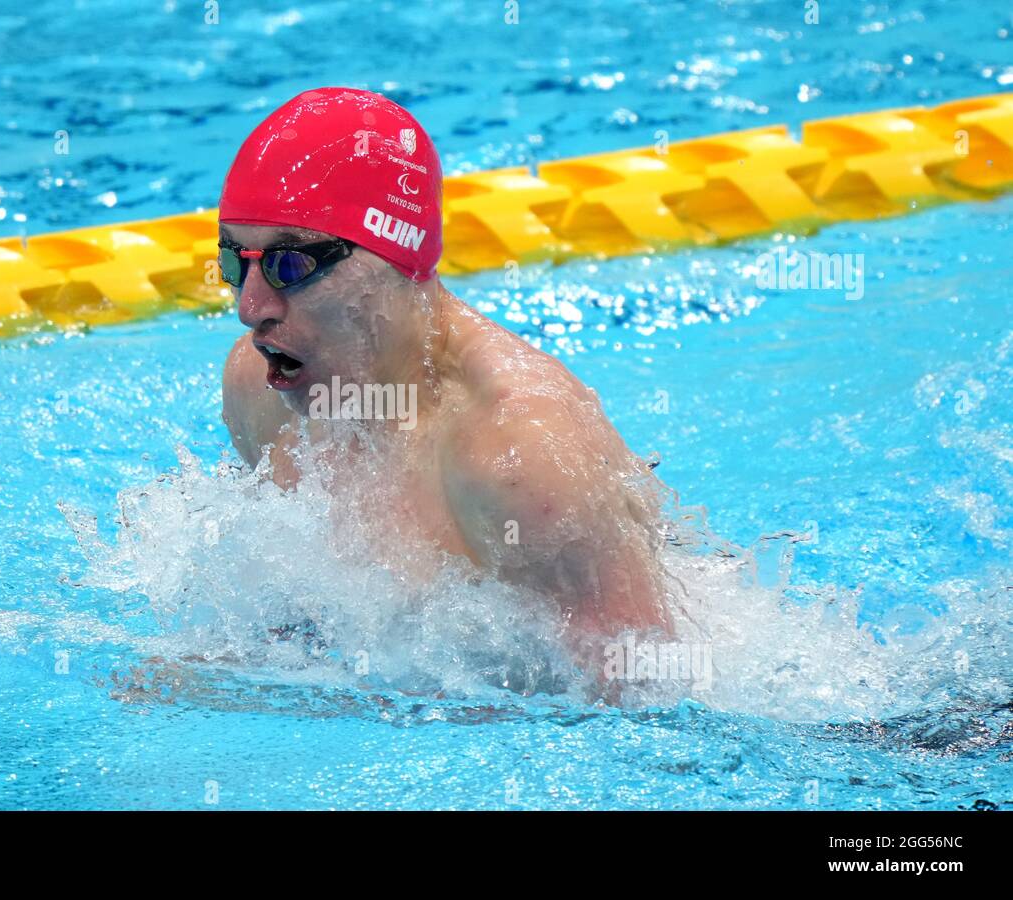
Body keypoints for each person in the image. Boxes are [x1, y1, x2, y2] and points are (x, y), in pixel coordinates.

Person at [217, 87, 672, 655]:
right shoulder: (256, 389)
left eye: (291, 264)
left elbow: (644, 688)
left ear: (396, 256)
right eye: (235, 262)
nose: (250, 308)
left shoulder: (519, 458)